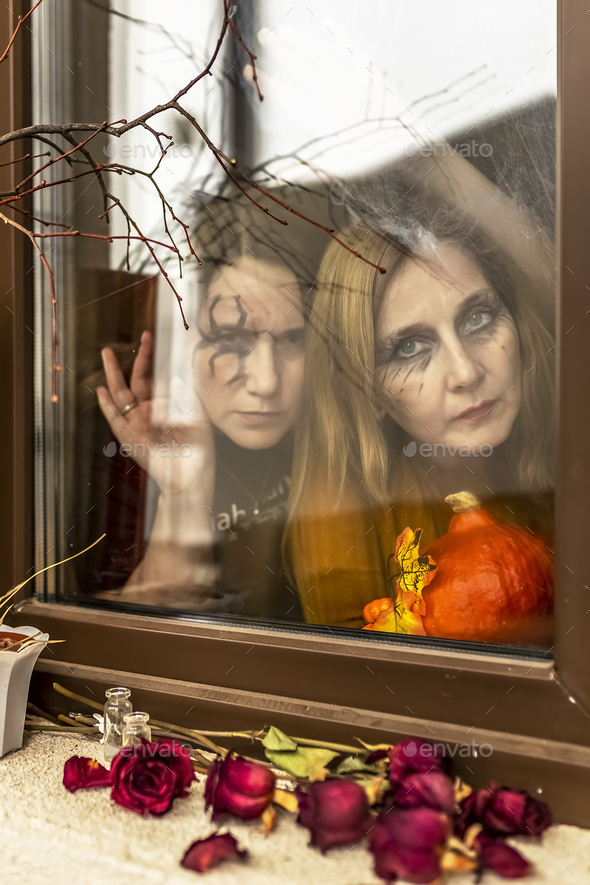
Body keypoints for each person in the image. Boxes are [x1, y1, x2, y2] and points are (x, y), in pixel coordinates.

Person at [286, 193, 555, 637]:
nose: (466, 372)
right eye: (410, 348)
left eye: (479, 317)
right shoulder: (341, 517)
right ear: (368, 389)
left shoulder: (564, 455)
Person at [97, 197, 325, 620]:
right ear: (182, 341)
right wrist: (185, 494)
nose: (266, 382)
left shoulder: (327, 432)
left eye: (293, 340)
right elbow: (118, 653)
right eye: (230, 340)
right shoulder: (118, 458)